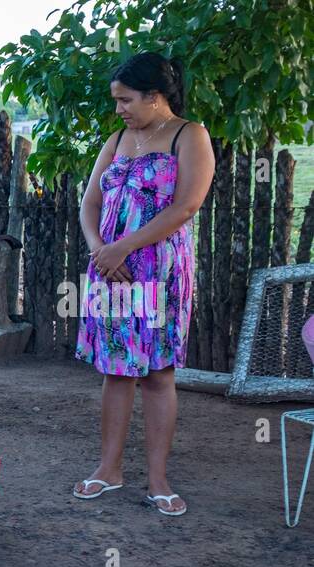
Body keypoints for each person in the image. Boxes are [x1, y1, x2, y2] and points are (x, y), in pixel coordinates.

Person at [73, 52, 214, 517]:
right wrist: (101, 250)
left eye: (126, 100)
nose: (119, 110)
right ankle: (108, 470)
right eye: (116, 101)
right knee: (117, 371)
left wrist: (124, 247)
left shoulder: (188, 135)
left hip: (160, 272)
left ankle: (158, 480)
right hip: (111, 269)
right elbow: (89, 204)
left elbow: (186, 206)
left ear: (156, 97)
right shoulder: (116, 140)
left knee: (157, 374)